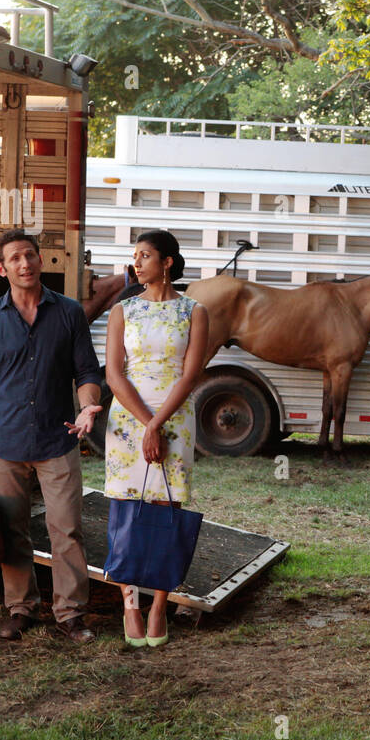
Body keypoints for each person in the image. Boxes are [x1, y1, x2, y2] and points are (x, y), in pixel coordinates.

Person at [0, 229, 103, 643]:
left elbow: (87, 372)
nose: (24, 264)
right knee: (11, 530)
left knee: (67, 529)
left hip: (57, 439)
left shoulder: (69, 313)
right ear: (1, 268)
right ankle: (20, 608)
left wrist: (88, 405)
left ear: (41, 261)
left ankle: (71, 614)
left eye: (30, 255)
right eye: (15, 258)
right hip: (4, 444)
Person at [104, 230, 209, 647]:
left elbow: (192, 373)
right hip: (129, 417)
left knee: (167, 507)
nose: (137, 263)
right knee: (126, 508)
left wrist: (158, 424)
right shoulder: (123, 310)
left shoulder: (193, 311)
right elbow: (114, 372)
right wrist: (146, 423)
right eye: (135, 256)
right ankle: (130, 603)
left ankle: (159, 605)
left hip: (175, 416)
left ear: (167, 262)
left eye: (145, 255)